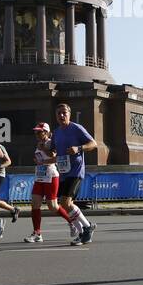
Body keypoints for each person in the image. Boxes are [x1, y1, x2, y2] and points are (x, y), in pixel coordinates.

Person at [51, 103, 97, 246]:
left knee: (65, 202)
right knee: (66, 205)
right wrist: (46, 149)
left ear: (69, 114)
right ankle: (84, 231)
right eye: (59, 113)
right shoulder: (56, 132)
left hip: (76, 171)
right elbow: (53, 150)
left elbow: (93, 143)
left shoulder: (76, 128)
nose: (62, 115)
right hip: (63, 172)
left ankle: (87, 228)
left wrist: (79, 148)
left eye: (64, 112)